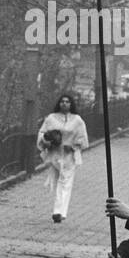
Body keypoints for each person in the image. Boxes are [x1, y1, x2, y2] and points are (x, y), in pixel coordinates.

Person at [37, 92, 89, 223]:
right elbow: (42, 134)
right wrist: (48, 141)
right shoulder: (51, 118)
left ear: (71, 104)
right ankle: (59, 210)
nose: (64, 104)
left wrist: (73, 146)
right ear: (59, 103)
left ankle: (58, 212)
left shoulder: (77, 120)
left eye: (67, 102)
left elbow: (83, 139)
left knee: (65, 181)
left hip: (69, 156)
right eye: (62, 101)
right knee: (56, 181)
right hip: (54, 154)